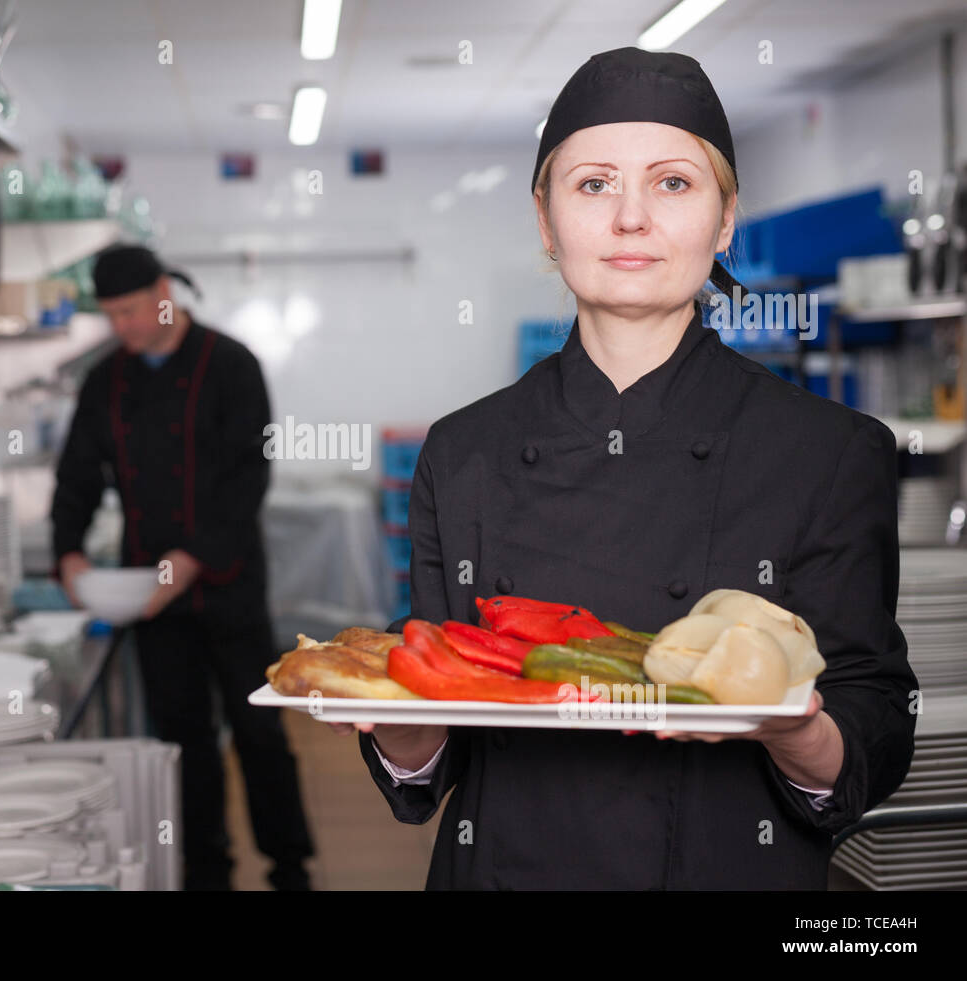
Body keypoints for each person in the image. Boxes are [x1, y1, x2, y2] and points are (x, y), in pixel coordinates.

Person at [329, 47, 918, 889]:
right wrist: (394, 720)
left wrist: (797, 731)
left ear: (724, 221)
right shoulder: (464, 452)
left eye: (673, 183)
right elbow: (436, 742)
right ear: (546, 220)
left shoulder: (828, 451)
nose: (630, 217)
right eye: (594, 184)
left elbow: (876, 722)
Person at [51, 243, 314, 890]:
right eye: (112, 315)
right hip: (150, 594)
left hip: (228, 584)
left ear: (165, 291)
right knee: (184, 739)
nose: (124, 326)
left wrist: (193, 557)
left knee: (258, 729)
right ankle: (206, 868)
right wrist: (69, 549)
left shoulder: (230, 364)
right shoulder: (105, 381)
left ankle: (289, 864)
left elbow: (249, 475)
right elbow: (78, 474)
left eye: (132, 309)